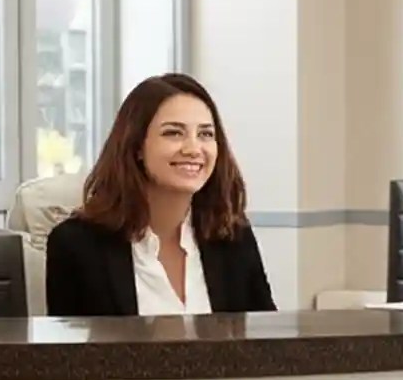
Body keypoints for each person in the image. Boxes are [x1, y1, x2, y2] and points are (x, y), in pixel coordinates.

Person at [46, 73, 276, 317]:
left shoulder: (232, 237)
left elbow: (264, 344)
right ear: (136, 146)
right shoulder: (76, 245)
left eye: (206, 134)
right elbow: (69, 354)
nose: (193, 149)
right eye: (174, 133)